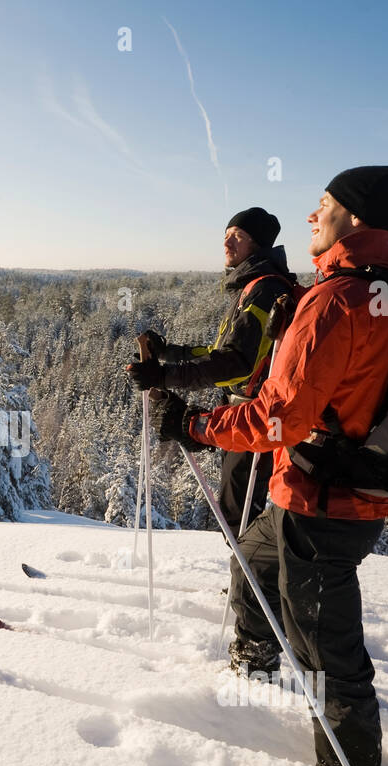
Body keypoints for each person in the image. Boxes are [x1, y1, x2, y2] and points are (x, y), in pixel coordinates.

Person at [146, 166, 388, 766]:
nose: (311, 216)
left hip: (325, 504)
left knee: (327, 648)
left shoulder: (337, 302)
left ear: (352, 215)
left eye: (322, 205)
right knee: (251, 562)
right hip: (321, 492)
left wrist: (195, 425)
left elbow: (277, 414)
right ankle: (255, 674)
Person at [127, 207, 296, 531]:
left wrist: (163, 376)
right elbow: (223, 353)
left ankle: (249, 583)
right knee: (238, 515)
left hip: (253, 417)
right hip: (248, 415)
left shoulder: (263, 290)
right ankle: (246, 582)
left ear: (257, 245)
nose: (227, 242)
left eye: (238, 236)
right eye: (226, 235)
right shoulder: (255, 286)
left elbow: (236, 365)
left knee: (239, 518)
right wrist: (171, 353)